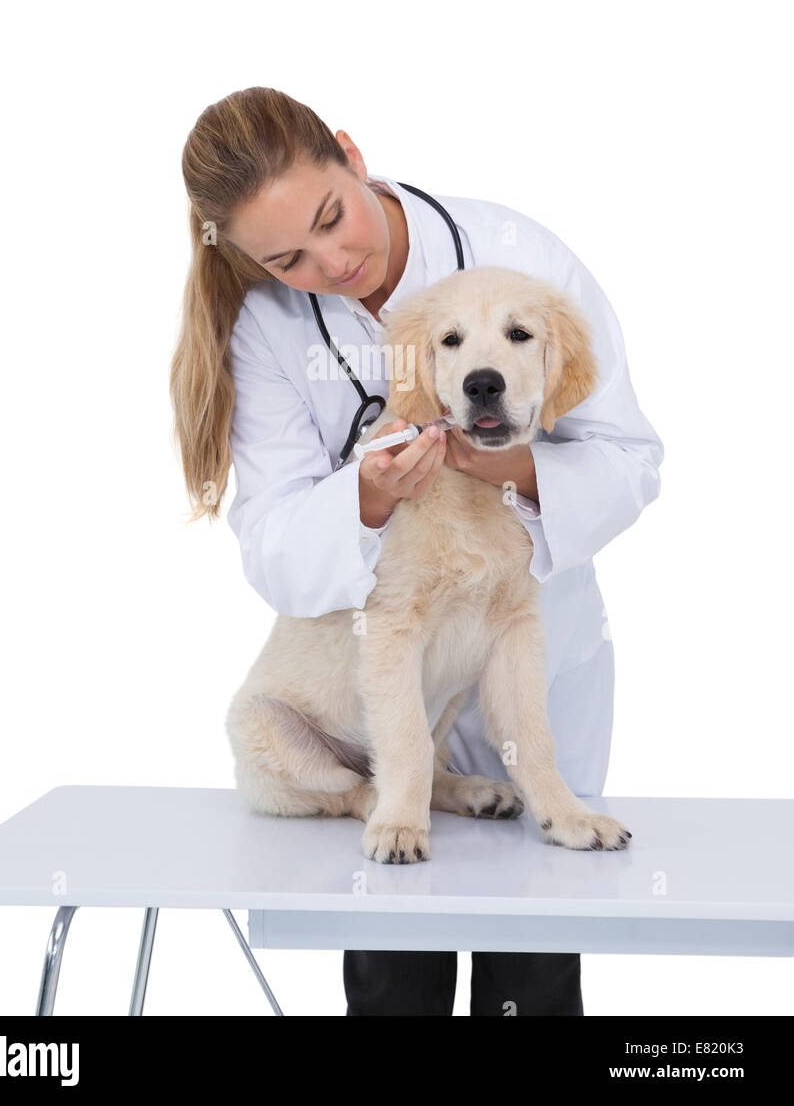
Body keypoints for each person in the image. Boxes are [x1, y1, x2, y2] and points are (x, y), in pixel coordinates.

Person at [169, 85, 664, 1016]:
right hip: (377, 703)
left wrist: (503, 464)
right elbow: (274, 547)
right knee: (394, 975)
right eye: (288, 257)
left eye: (332, 218)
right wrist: (360, 498)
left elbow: (630, 459)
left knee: (534, 971)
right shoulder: (272, 331)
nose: (334, 261)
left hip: (532, 653)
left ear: (353, 157)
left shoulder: (517, 260)